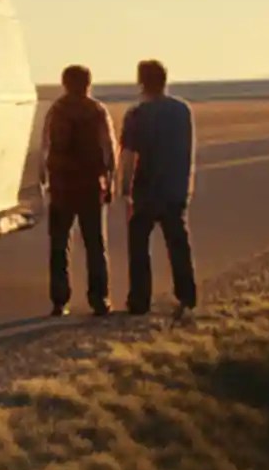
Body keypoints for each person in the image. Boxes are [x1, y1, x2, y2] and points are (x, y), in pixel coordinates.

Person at [118, 59, 198, 320]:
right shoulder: (182, 110)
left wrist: (124, 187)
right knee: (178, 243)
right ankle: (187, 294)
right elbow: (188, 150)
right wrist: (187, 183)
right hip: (175, 187)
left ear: (142, 83)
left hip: (146, 190)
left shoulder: (137, 114)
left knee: (139, 246)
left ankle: (140, 299)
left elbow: (128, 155)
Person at [39, 64, 118, 317]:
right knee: (95, 244)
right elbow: (109, 146)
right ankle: (100, 299)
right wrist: (111, 180)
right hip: (90, 186)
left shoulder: (56, 110)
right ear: (88, 83)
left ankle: (59, 301)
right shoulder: (96, 110)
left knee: (59, 245)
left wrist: (45, 180)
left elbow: (44, 147)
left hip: (62, 186)